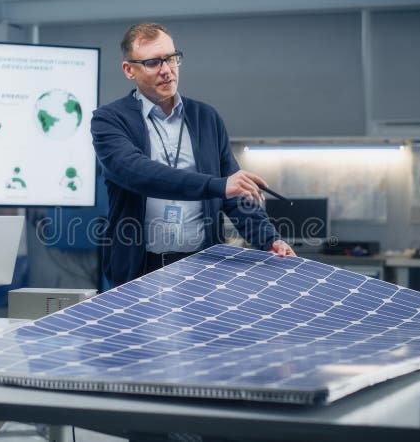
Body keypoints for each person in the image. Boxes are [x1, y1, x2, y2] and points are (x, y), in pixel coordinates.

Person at [91, 22, 294, 287]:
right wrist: (218, 185)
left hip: (203, 267)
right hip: (140, 269)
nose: (167, 70)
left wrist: (269, 239)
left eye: (171, 58)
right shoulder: (109, 120)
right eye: (153, 62)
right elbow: (137, 173)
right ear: (129, 70)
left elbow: (235, 195)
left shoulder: (206, 118)